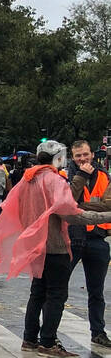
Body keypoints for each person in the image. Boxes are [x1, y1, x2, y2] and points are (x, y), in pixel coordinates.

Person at [0, 139, 107, 358]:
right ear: (59, 158)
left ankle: (29, 339)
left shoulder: (26, 180)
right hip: (55, 245)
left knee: (37, 292)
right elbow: (70, 212)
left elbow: (9, 206)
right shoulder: (54, 180)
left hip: (34, 245)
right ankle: (47, 342)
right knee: (56, 294)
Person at [68, 140, 111, 347]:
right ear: (72, 157)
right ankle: (48, 335)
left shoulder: (104, 176)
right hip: (72, 237)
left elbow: (108, 205)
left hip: (97, 237)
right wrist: (82, 176)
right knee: (57, 289)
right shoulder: (65, 175)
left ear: (92, 154)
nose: (82, 159)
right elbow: (67, 202)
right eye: (78, 156)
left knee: (97, 291)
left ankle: (98, 332)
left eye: (85, 154)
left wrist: (80, 207)